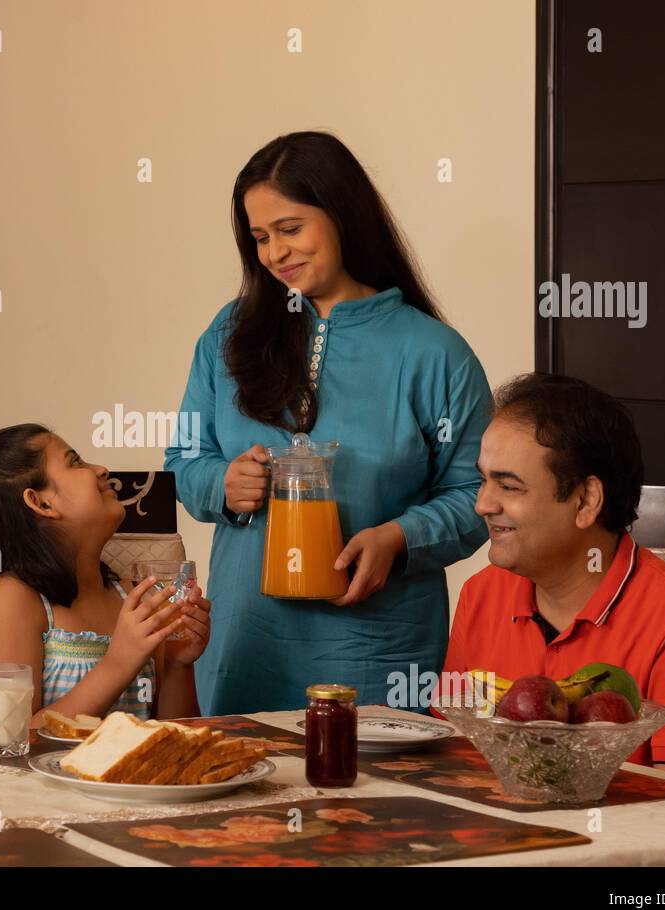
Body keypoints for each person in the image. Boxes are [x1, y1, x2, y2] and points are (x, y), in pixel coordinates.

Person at [164, 130, 490, 714]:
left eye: (291, 229)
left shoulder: (433, 352)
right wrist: (222, 484)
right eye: (260, 237)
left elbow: (477, 494)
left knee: (367, 803)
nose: (274, 253)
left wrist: (399, 537)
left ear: (343, 214)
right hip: (248, 633)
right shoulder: (229, 333)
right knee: (243, 799)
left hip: (376, 640)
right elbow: (185, 461)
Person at [441, 373, 665, 782]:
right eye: (483, 480)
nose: (482, 504)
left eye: (509, 486)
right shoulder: (481, 594)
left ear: (586, 500)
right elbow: (456, 762)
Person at [0, 424, 211, 722]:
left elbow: (175, 735)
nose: (101, 470)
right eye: (75, 461)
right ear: (41, 502)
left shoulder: (133, 596)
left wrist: (178, 663)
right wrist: (118, 663)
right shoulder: (9, 600)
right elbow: (10, 740)